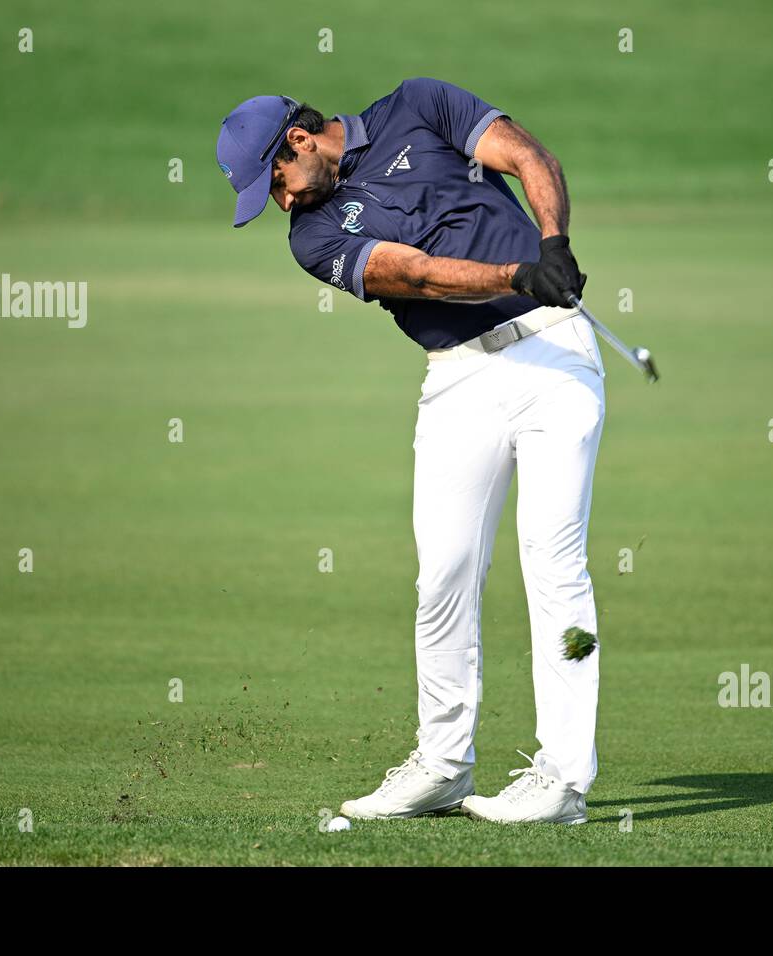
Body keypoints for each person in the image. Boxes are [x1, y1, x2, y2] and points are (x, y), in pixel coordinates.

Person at [216, 77, 605, 824]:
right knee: (444, 576)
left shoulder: (419, 106)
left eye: (275, 182)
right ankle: (442, 765)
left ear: (299, 141)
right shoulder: (313, 238)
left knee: (553, 561)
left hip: (555, 355)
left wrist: (553, 244)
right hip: (457, 381)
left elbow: (529, 157)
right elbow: (417, 276)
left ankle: (562, 779)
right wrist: (520, 274)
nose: (283, 202)